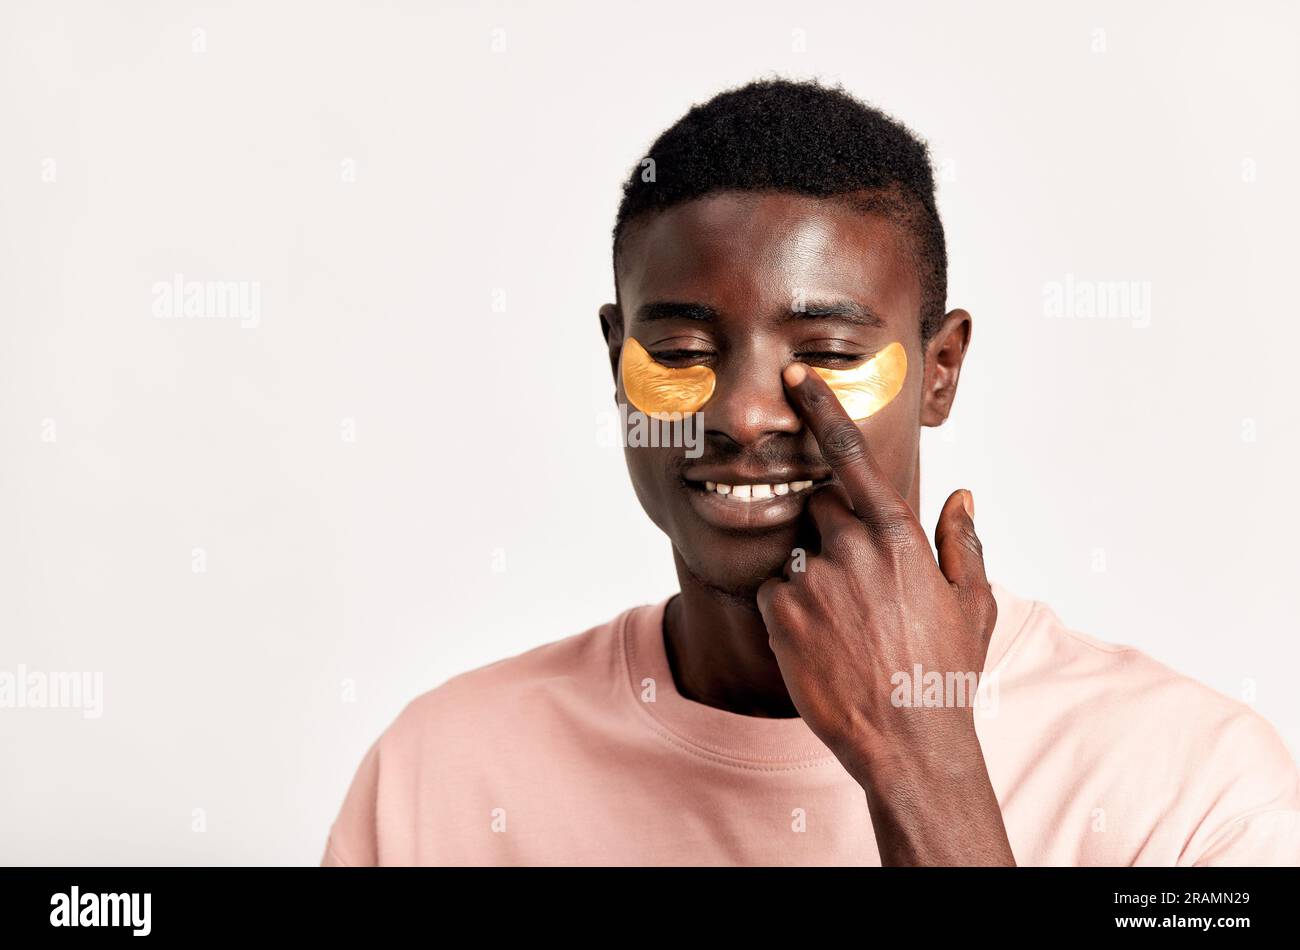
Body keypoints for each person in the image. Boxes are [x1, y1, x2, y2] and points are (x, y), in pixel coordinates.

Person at [321, 78, 1300, 865]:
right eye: (676, 350)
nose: (742, 412)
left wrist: (922, 760)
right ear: (614, 360)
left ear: (939, 369)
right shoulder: (444, 771)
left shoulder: (1187, 783)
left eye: (826, 354)